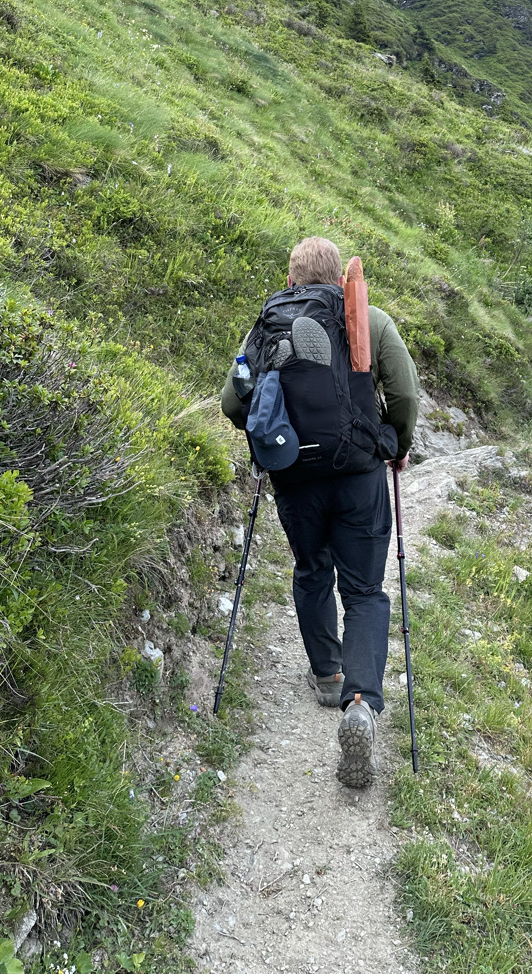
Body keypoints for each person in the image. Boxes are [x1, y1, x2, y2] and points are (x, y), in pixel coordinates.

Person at [221, 237, 419, 788]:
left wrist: (277, 438)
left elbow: (232, 403)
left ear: (291, 280)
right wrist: (396, 445)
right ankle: (359, 702)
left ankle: (327, 674)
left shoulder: (267, 322)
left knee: (312, 570)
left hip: (294, 478)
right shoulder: (369, 319)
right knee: (363, 591)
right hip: (357, 475)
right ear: (339, 281)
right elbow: (404, 394)